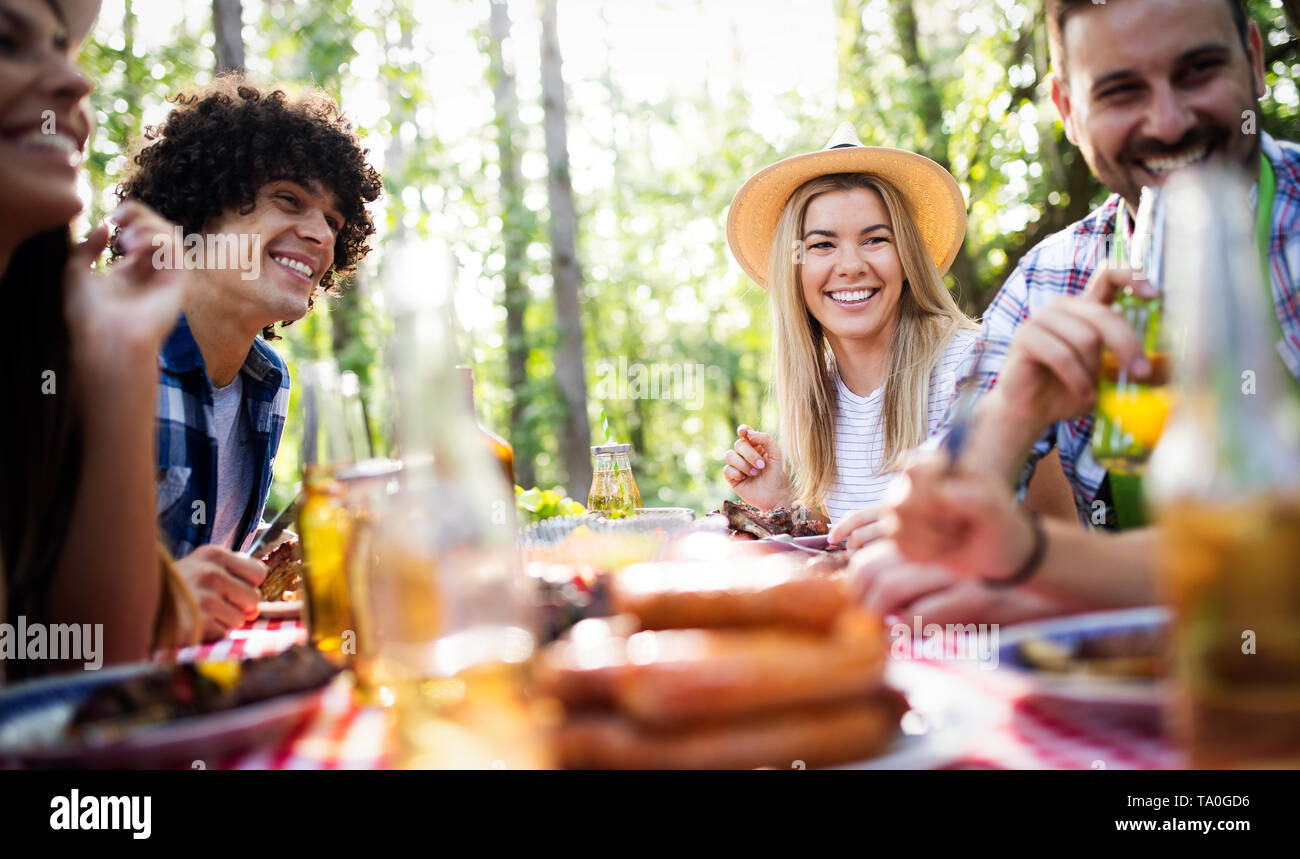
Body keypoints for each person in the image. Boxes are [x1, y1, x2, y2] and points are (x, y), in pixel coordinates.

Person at [851, 0, 1298, 614]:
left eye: (1198, 71)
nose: (1168, 123)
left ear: (1253, 58)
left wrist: (1046, 568)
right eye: (1120, 92)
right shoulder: (1049, 280)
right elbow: (942, 507)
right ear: (1067, 111)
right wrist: (1011, 415)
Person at [115, 76, 382, 641]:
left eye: (334, 222)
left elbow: (196, 545)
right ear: (196, 208)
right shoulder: (100, 356)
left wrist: (266, 552)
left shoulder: (266, 379)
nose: (318, 235)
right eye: (288, 198)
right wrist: (156, 602)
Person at [0, 0, 193, 680]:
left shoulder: (47, 361)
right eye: (6, 40)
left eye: (64, 49)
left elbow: (89, 674)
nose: (75, 83)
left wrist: (123, 356)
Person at [719, 123, 980, 525]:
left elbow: (1047, 541)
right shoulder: (819, 393)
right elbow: (845, 547)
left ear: (907, 258)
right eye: (822, 245)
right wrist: (784, 502)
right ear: (796, 271)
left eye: (875, 240)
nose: (852, 266)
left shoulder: (972, 369)